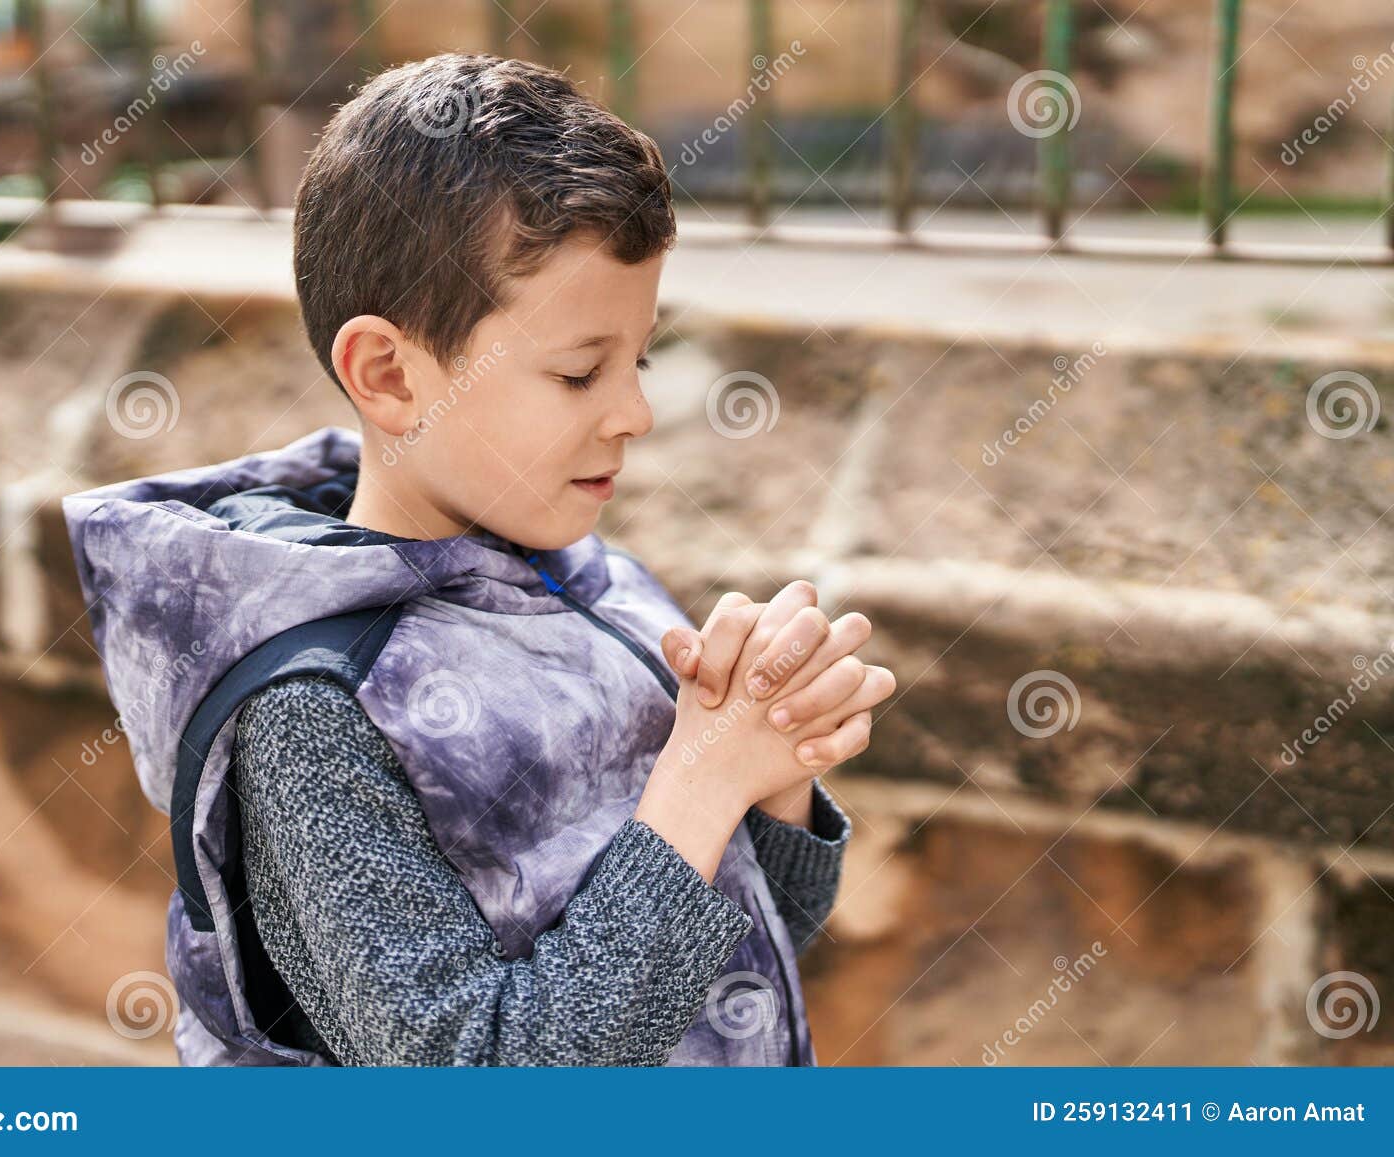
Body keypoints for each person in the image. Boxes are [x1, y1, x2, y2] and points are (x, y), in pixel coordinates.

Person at [63, 52, 896, 1067]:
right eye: (579, 371)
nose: (632, 413)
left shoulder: (594, 579)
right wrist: (699, 777)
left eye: (640, 357)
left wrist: (769, 767)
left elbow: (749, 943)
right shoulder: (313, 709)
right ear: (389, 373)